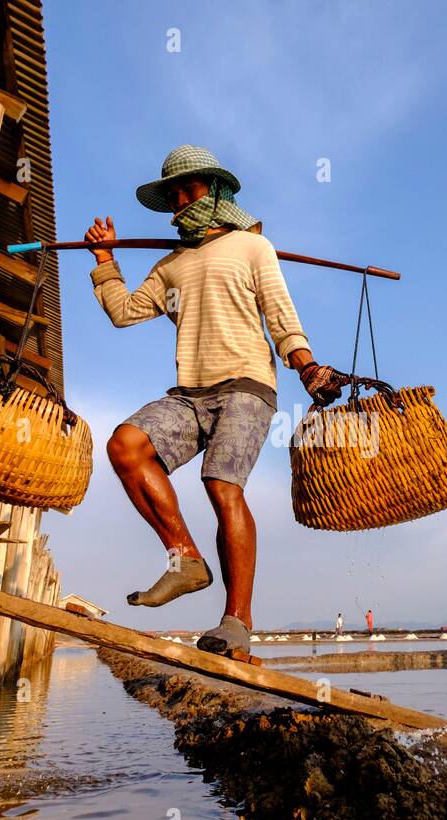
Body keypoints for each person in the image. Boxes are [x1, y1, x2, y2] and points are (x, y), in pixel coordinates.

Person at [86, 145, 349, 661]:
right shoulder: (171, 266)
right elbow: (124, 312)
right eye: (174, 194)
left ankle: (237, 623)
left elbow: (281, 317)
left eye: (192, 188)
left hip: (247, 385)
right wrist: (105, 260)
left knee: (221, 484)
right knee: (125, 446)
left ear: (217, 191)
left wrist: (308, 366)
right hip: (190, 393)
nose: (183, 200)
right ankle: (185, 558)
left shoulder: (253, 248)